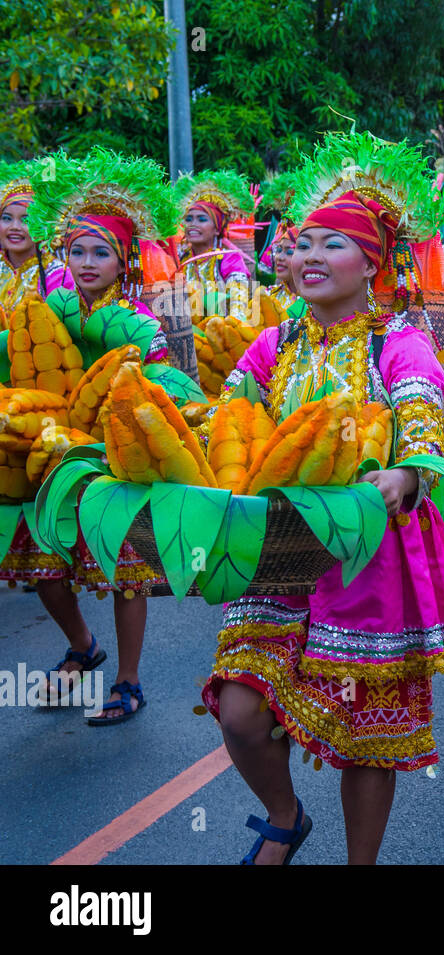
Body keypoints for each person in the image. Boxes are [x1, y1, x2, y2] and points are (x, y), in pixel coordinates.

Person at [198, 131, 444, 864]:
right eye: (302, 244)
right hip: (277, 550)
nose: (308, 258)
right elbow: (228, 422)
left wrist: (407, 474)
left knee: (367, 733)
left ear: (373, 265)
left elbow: (428, 425)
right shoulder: (272, 346)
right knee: (239, 708)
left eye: (332, 245)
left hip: (369, 560)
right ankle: (283, 814)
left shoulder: (399, 344)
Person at [19, 147, 178, 724]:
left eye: (101, 253)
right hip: (54, 453)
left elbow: (162, 388)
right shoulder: (48, 307)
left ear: (124, 262)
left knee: (123, 571)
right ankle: (83, 647)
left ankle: (129, 680)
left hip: (118, 458)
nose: (87, 262)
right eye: (76, 251)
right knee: (41, 561)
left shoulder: (141, 323)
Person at [176, 171, 254, 324]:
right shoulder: (180, 259)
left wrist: (232, 326)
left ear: (217, 229)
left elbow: (239, 302)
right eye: (189, 219)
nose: (193, 224)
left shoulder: (229, 258)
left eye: (202, 219)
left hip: (223, 335)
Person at [0, 162, 72, 318]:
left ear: (43, 226)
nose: (14, 227)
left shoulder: (59, 276)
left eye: (26, 220)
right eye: (6, 218)